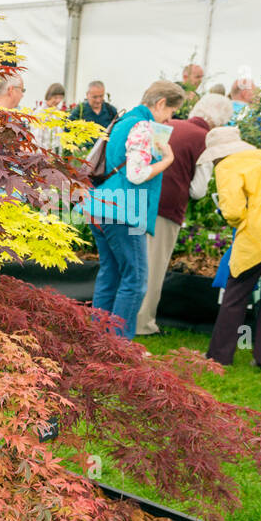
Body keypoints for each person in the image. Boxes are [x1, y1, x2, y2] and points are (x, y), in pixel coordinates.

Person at [84, 80, 185, 339]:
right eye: (171, 111)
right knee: (135, 279)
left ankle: (97, 342)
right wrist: (168, 160)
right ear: (161, 103)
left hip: (101, 205)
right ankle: (119, 347)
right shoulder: (144, 125)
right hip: (126, 210)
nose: (170, 118)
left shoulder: (122, 119)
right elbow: (137, 173)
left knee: (111, 274)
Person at [196, 127, 261, 372]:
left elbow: (232, 210)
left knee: (235, 294)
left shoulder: (227, 166)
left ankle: (218, 358)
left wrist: (232, 217)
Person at [136, 93, 233, 335]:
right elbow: (198, 190)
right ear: (219, 122)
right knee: (154, 268)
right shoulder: (205, 140)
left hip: (138, 199)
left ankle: (119, 318)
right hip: (166, 207)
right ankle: (143, 324)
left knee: (134, 264)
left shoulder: (168, 124)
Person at [69, 81, 118, 148]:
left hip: (105, 152)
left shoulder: (111, 110)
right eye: (95, 97)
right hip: (84, 154)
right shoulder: (79, 111)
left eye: (101, 96)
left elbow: (117, 132)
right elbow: (68, 131)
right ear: (87, 95)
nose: (98, 100)